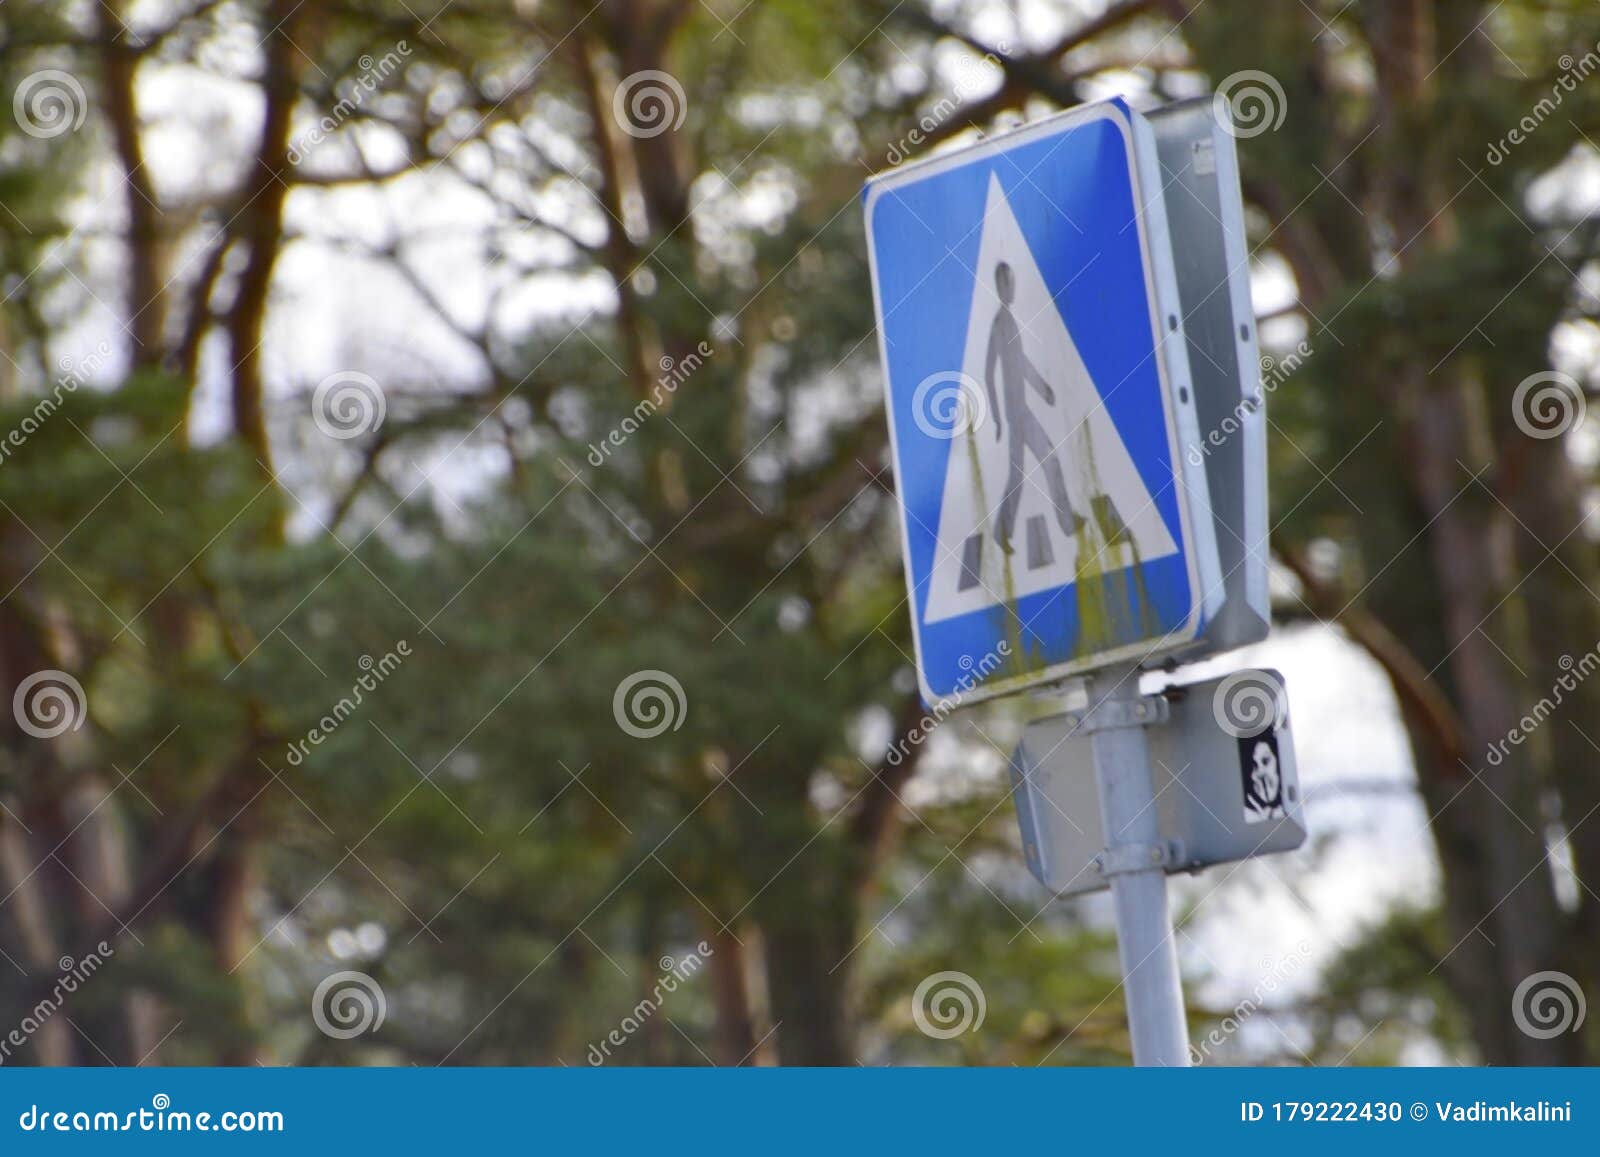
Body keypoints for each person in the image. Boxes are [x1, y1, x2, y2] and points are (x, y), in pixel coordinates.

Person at [983, 260, 1084, 550]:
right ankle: (1002, 533)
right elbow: (989, 371)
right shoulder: (999, 324)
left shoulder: (1010, 320)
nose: (1012, 288)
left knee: (1047, 463)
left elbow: (1021, 363)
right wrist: (997, 418)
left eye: (1013, 282)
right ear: (1000, 286)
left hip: (1023, 411)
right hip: (1016, 417)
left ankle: (1066, 524)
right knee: (1020, 475)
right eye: (1008, 283)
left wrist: (1044, 389)